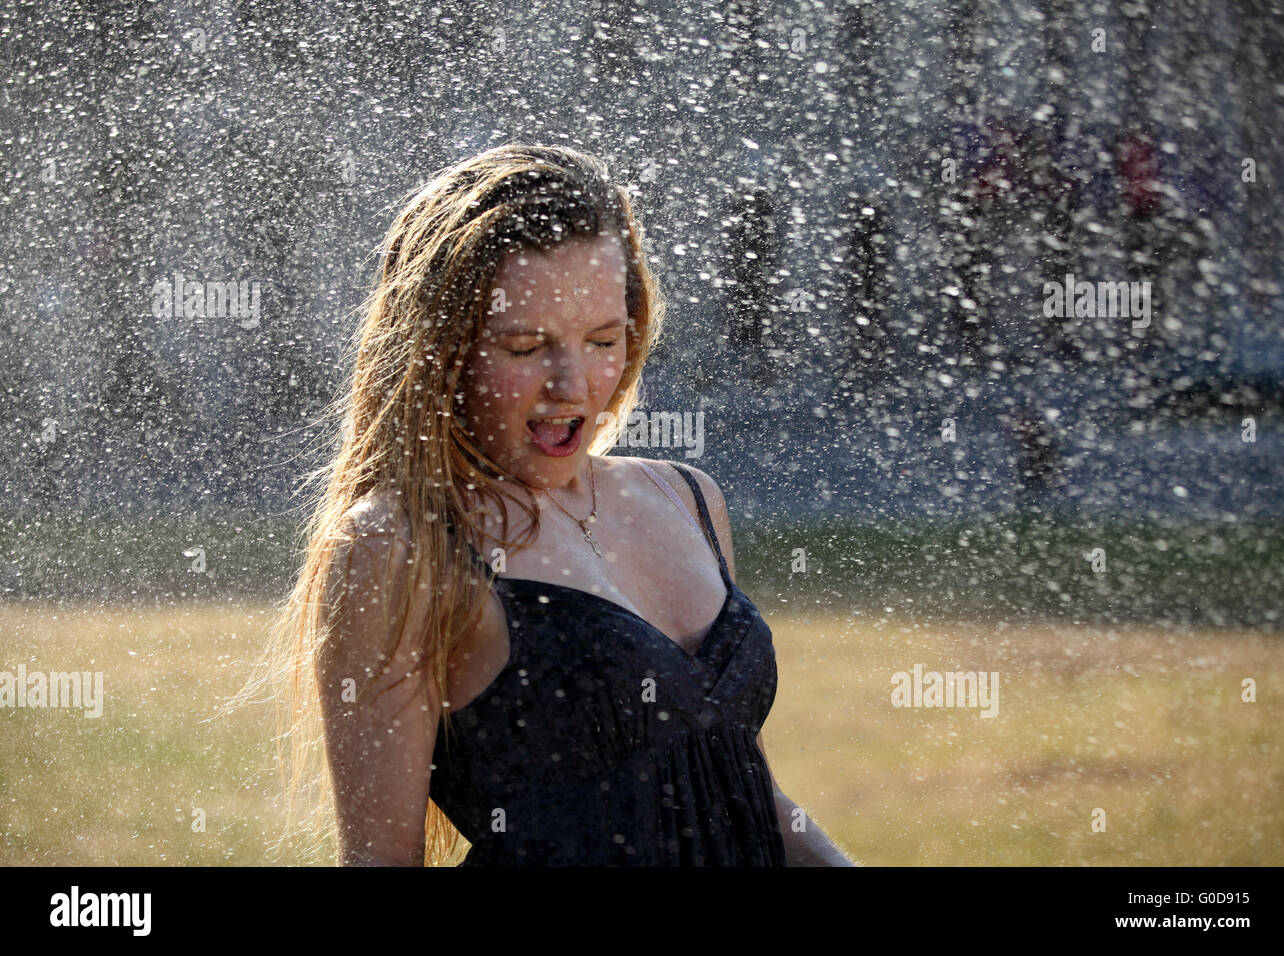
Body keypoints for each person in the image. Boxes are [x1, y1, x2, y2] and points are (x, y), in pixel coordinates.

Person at [270, 143, 854, 866]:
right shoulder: (397, 546)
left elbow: (740, 790)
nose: (573, 385)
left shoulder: (687, 498)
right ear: (440, 350)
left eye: (603, 340)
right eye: (524, 347)